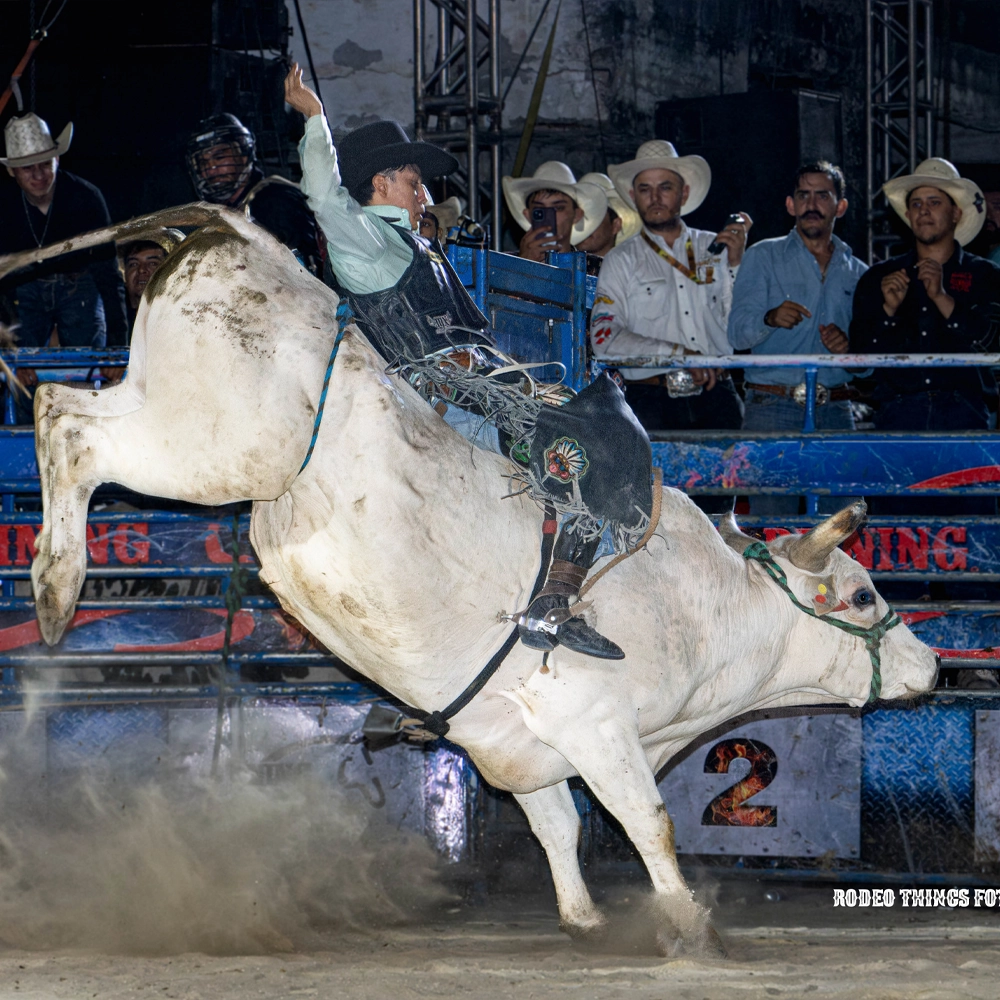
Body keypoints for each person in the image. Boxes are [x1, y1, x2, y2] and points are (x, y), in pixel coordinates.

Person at [285, 64, 653, 661]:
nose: (425, 193)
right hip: (444, 400)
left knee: (598, 418)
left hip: (474, 388)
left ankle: (556, 594)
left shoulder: (410, 245)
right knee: (580, 438)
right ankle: (553, 604)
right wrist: (314, 118)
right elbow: (325, 198)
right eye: (413, 179)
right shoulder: (371, 245)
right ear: (379, 183)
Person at [850, 158, 999, 515]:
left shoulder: (986, 276)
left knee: (968, 540)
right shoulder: (879, 278)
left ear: (956, 214)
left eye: (934, 202)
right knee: (898, 535)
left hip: (966, 418)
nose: (923, 211)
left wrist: (944, 300)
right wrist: (886, 311)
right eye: (916, 204)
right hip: (899, 416)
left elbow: (995, 343)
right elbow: (859, 363)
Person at [728, 161, 868, 514]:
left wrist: (850, 350)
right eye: (803, 195)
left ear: (840, 206)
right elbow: (736, 333)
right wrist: (770, 318)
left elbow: (868, 368)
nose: (811, 204)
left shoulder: (860, 272)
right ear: (790, 205)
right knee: (774, 523)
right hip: (772, 406)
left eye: (823, 195)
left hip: (837, 407)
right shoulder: (763, 255)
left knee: (844, 523)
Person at [591, 141, 748, 449]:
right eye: (645, 189)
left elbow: (742, 332)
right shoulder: (620, 260)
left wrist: (736, 264)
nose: (655, 197)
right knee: (656, 497)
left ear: (684, 194)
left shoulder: (716, 249)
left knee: (719, 496)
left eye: (665, 187)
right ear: (634, 196)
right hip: (651, 401)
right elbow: (604, 340)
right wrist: (680, 355)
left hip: (717, 399)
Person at [0, 113, 127, 350]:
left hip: (80, 284)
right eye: (28, 167)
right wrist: (11, 350)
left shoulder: (86, 197)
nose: (38, 175)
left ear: (57, 159)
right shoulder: (4, 205)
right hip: (24, 292)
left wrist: (117, 347)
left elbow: (108, 273)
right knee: (17, 372)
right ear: (12, 171)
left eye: (45, 164)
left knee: (89, 364)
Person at [185, 113, 324, 278]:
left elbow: (305, 270)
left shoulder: (272, 199)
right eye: (203, 162)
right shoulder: (218, 213)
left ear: (243, 153)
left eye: (219, 156)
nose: (211, 167)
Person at [502, 163, 608, 263]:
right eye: (539, 209)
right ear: (528, 215)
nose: (549, 216)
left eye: (559, 208)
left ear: (577, 215)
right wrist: (524, 265)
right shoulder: (501, 266)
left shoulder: (594, 268)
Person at [117, 229, 185, 335]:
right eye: (134, 264)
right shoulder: (108, 319)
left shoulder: (183, 318)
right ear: (124, 274)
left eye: (152, 263)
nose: (141, 270)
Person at [576, 172, 642, 258]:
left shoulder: (630, 269)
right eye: (578, 216)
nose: (584, 224)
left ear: (615, 225)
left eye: (595, 215)